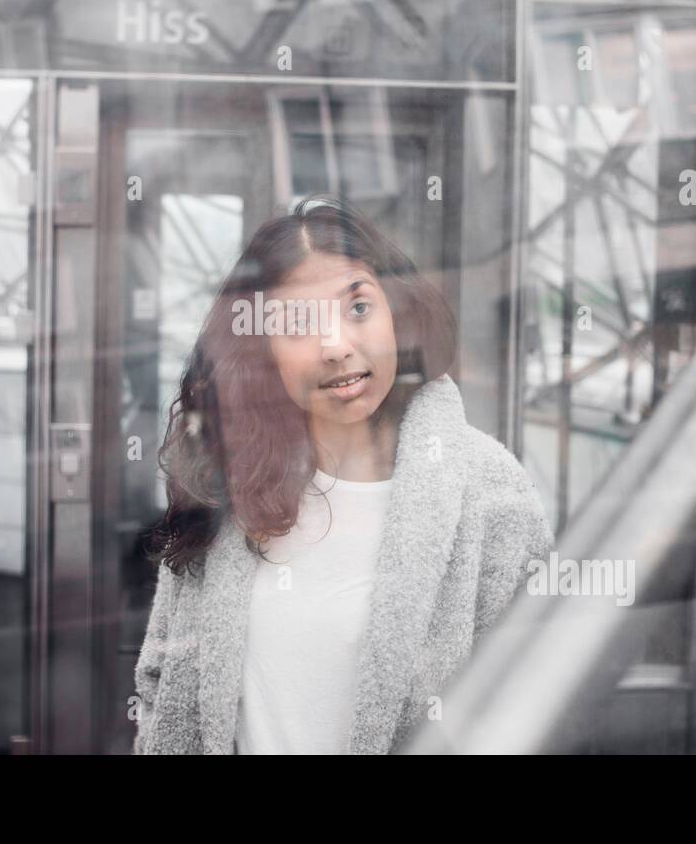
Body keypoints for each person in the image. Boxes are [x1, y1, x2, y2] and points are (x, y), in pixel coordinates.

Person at [132, 195, 553, 754]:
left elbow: (535, 700)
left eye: (357, 308)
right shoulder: (228, 483)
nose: (336, 348)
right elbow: (163, 683)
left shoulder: (488, 491)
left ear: (396, 314)